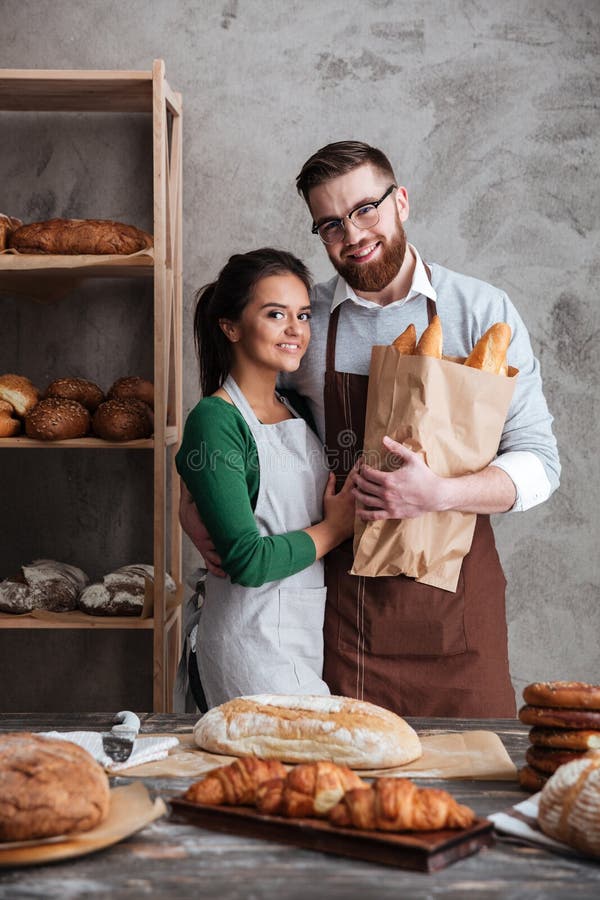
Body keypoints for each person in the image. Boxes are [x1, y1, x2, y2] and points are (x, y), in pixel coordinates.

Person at [180, 143, 560, 718]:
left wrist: (442, 493)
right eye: (330, 224)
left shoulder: (481, 311)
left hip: (453, 608)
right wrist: (193, 504)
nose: (352, 235)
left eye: (365, 210)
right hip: (340, 614)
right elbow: (240, 429)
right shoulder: (305, 324)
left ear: (400, 200)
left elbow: (540, 464)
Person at [175, 248, 355, 709]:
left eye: (303, 315)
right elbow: (247, 562)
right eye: (276, 314)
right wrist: (336, 528)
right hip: (249, 647)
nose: (296, 329)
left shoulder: (291, 407)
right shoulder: (216, 419)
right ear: (230, 326)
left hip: (297, 640)